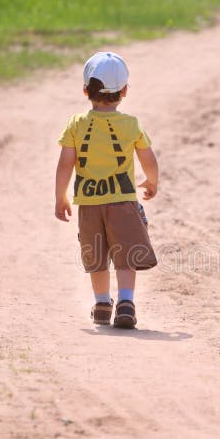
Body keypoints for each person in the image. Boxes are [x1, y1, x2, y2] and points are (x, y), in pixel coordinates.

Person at [54, 51, 159, 329]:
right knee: (126, 254)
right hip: (122, 201)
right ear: (124, 90)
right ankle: (125, 302)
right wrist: (151, 181)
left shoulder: (77, 124)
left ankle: (102, 303)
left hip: (89, 204)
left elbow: (66, 163)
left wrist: (61, 196)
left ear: (86, 90)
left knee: (96, 255)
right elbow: (148, 157)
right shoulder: (130, 124)